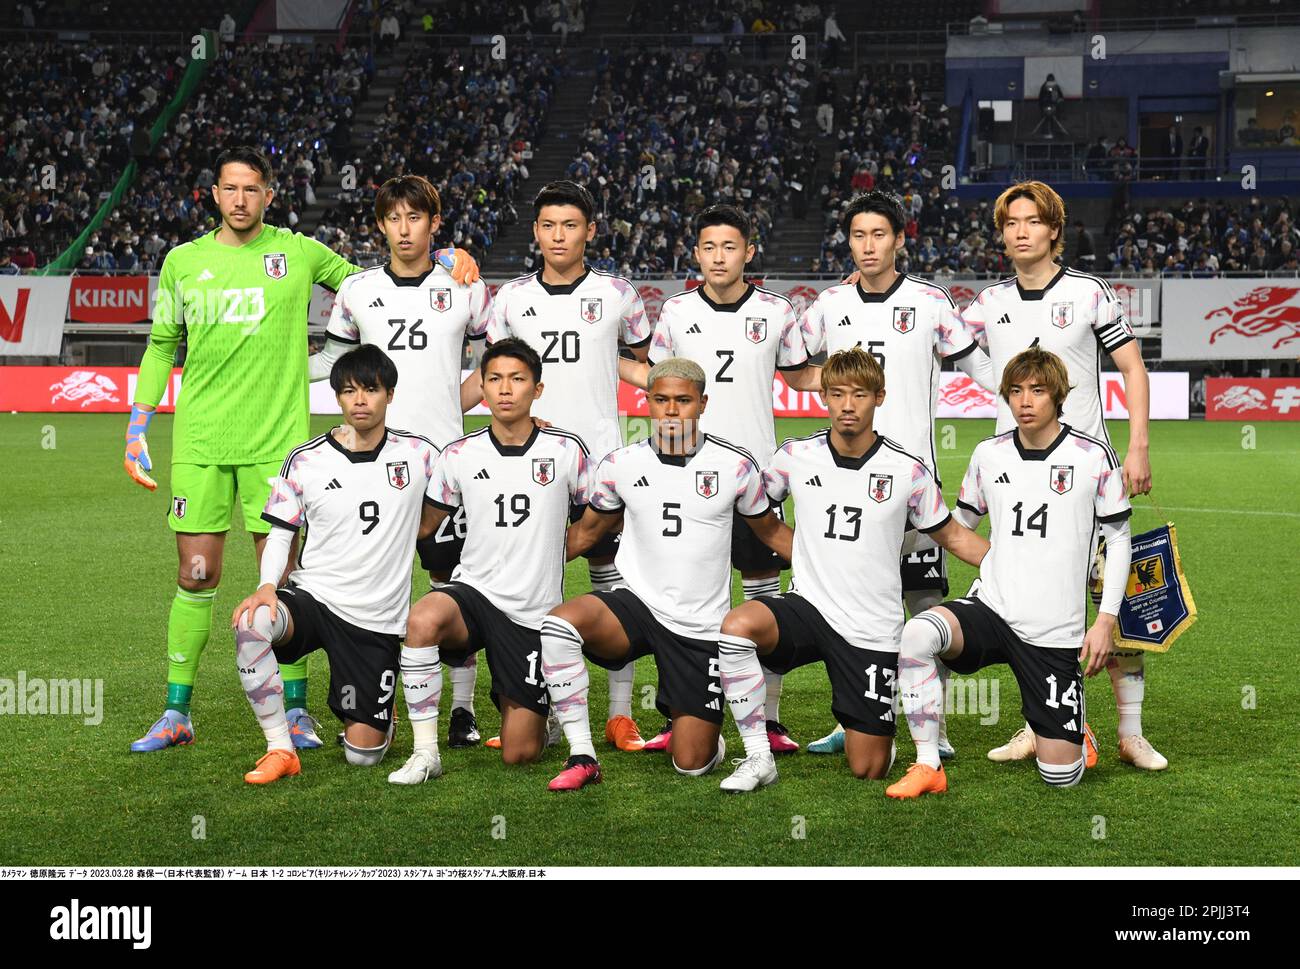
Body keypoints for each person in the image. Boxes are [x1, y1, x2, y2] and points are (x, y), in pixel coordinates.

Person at [125, 146, 478, 753]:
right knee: (196, 574)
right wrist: (137, 424)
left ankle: (295, 712)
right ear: (215, 195)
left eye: (251, 189)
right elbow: (162, 346)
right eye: (229, 188)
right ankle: (176, 710)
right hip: (202, 439)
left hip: (277, 444)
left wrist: (443, 257)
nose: (240, 199)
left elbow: (375, 285)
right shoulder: (183, 262)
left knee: (288, 580)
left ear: (269, 195)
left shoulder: (298, 251)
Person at [715, 348, 990, 792]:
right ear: (822, 396)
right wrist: (801, 552)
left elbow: (955, 537)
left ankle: (872, 730)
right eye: (837, 393)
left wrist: (1012, 566)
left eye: (859, 394)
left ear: (879, 397)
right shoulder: (794, 456)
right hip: (808, 607)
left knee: (869, 766)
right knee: (737, 626)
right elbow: (759, 516)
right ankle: (758, 756)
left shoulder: (907, 471)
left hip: (871, 627)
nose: (847, 405)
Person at [960, 179, 1164, 770]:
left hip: (1087, 474)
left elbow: (1132, 367)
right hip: (1019, 479)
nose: (1019, 232)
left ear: (1054, 230)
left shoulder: (1088, 293)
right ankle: (1039, 721)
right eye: (1010, 223)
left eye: (1032, 221)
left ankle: (1132, 730)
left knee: (1114, 605)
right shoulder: (990, 303)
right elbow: (936, 337)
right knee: (1032, 606)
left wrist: (1139, 445)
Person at [800, 190, 998, 756]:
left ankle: (930, 726)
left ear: (899, 240)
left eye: (878, 235)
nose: (867, 245)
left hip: (913, 482)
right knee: (853, 603)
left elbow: (981, 369)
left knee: (923, 603)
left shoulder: (931, 303)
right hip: (848, 481)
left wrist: (1031, 392)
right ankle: (853, 716)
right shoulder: (828, 306)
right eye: (858, 235)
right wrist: (844, 397)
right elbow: (792, 368)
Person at [619, 204, 821, 754]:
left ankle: (770, 719)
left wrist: (866, 373)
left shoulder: (777, 311)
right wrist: (601, 361)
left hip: (754, 479)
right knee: (675, 601)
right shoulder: (678, 313)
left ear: (748, 252)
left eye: (729, 247)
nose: (718, 257)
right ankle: (677, 710)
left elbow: (801, 375)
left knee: (761, 601)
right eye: (708, 247)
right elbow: (655, 376)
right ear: (696, 253)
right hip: (682, 479)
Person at [886, 345, 1132, 797]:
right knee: (919, 633)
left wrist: (1105, 620)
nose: (1024, 401)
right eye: (1015, 391)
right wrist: (897, 530)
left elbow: (1117, 539)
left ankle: (1076, 734)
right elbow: (959, 526)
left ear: (1057, 395)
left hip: (1053, 630)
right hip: (993, 607)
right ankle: (927, 763)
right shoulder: (989, 453)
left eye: (1037, 391)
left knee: (1061, 777)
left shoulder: (1092, 456)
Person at [540, 358, 789, 791]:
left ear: (702, 403)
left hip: (699, 624)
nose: (671, 411)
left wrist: (833, 563)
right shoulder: (620, 465)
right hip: (635, 606)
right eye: (661, 400)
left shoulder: (735, 465)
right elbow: (586, 534)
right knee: (561, 624)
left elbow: (770, 531)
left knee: (691, 763)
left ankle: (706, 736)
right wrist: (525, 560)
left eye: (682, 400)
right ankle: (582, 754)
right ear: (648, 402)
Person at [307, 173, 492, 748]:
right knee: (373, 586)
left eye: (416, 218)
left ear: (434, 225)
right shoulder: (358, 292)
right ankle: (371, 694)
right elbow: (331, 367)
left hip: (443, 468)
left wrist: (451, 412)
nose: (404, 229)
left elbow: (492, 365)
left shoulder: (465, 287)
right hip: (371, 466)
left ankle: (460, 710)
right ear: (381, 225)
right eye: (394, 218)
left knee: (450, 585)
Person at [487, 180, 653, 752]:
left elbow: (640, 366)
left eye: (571, 225)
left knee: (613, 584)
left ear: (590, 231)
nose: (559, 236)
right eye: (548, 226)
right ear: (535, 232)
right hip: (527, 466)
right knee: (534, 584)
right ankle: (543, 705)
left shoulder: (618, 294)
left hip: (603, 464)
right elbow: (490, 376)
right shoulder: (508, 300)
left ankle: (621, 711)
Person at [230, 344, 439, 783]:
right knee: (252, 622)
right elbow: (282, 532)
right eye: (348, 391)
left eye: (370, 389)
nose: (359, 400)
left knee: (363, 757)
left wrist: (532, 427)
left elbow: (474, 467)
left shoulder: (421, 456)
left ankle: (379, 712)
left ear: (390, 394)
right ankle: (280, 748)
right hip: (314, 600)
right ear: (337, 398)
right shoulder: (305, 459)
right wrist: (268, 586)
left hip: (376, 621)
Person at [387, 338, 592, 783]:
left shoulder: (566, 449)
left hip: (532, 614)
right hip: (474, 593)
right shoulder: (459, 454)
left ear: (537, 389)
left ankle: (544, 710)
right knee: (422, 619)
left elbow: (594, 519)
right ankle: (426, 753)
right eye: (494, 379)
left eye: (517, 379)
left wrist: (554, 549)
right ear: (481, 386)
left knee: (520, 754)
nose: (505, 389)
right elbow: (422, 525)